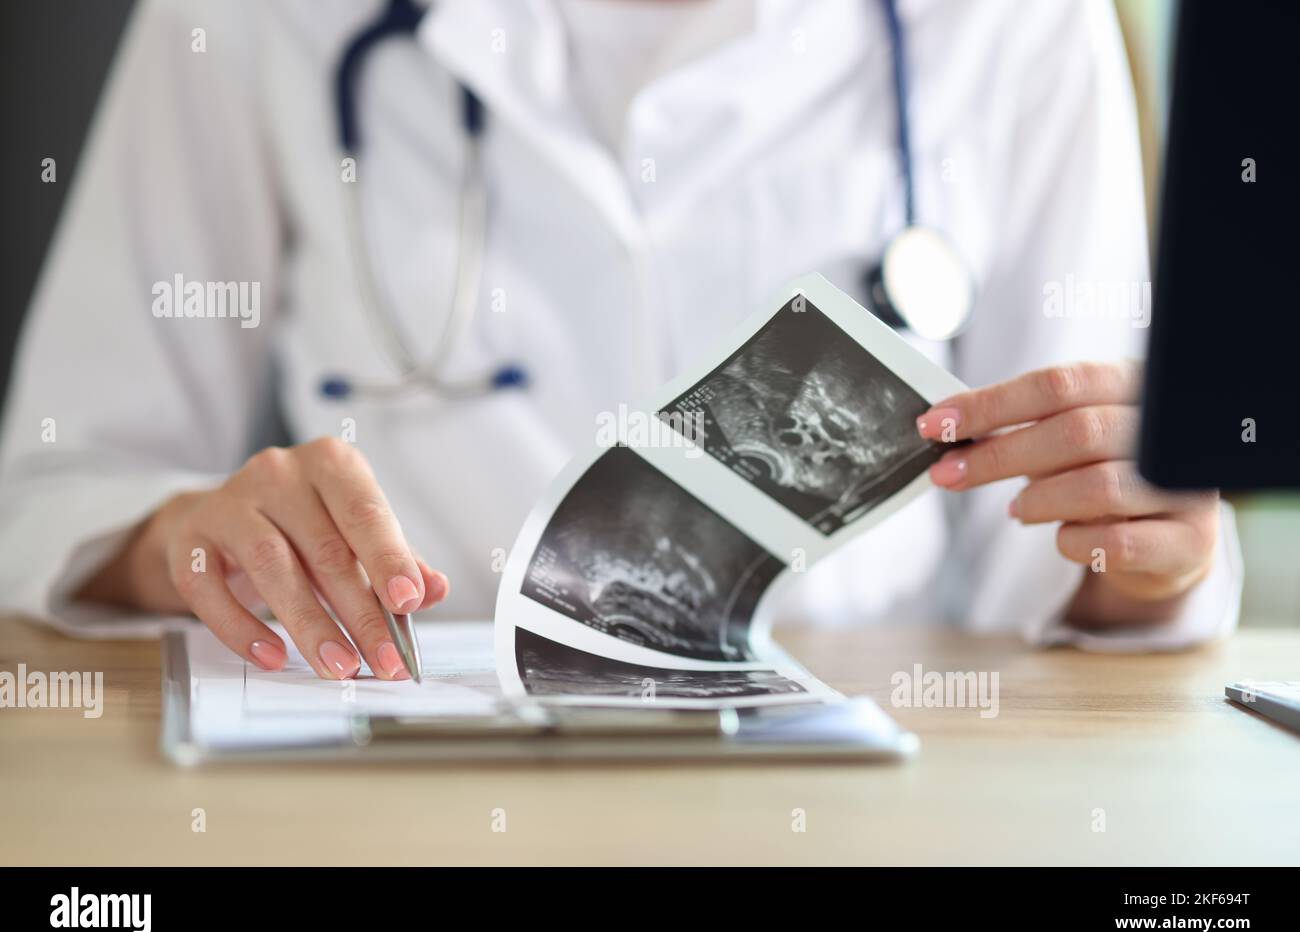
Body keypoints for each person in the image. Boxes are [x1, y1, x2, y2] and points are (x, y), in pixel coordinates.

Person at [0, 0, 1240, 680]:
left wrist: (1148, 540)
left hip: (866, 790)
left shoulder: (1016, 28)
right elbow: (56, 485)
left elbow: (1080, 573)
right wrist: (191, 541)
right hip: (395, 783)